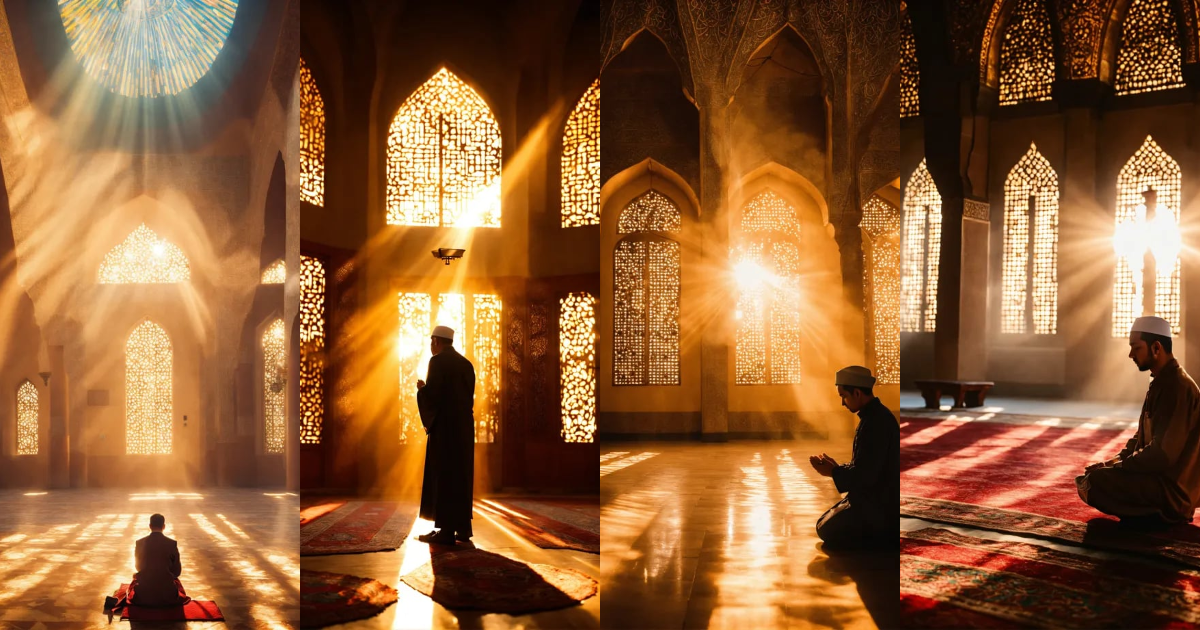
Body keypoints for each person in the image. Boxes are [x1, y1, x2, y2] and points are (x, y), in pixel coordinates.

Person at [1076, 315, 1200, 527]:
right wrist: (1111, 463)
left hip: (1172, 489)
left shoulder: (1176, 387)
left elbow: (1161, 455)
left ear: (1156, 347)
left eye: (1136, 347)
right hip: (1159, 479)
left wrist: (1119, 469)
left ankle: (1165, 514)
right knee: (1090, 479)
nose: (1130, 354)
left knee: (1094, 484)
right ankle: (1150, 513)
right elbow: (1140, 438)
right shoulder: (1162, 381)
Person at [809, 366, 899, 549]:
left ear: (857, 393)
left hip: (881, 504)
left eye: (844, 396)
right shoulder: (873, 417)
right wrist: (836, 467)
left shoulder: (876, 423)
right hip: (875, 497)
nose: (842, 402)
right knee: (824, 520)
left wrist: (833, 472)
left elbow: (867, 476)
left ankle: (882, 535)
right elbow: (866, 465)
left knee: (825, 529)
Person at [415, 325, 477, 545]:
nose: (431, 346)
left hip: (444, 430)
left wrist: (422, 389)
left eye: (431, 342)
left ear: (436, 342)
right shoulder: (466, 364)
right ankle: (462, 529)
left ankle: (446, 532)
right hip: (464, 430)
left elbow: (433, 398)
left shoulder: (437, 362)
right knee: (461, 476)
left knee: (444, 476)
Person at [128, 513, 190, 607]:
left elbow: (138, 567)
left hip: (143, 595)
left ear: (150, 526)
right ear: (164, 526)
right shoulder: (171, 544)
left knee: (135, 579)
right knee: (176, 583)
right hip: (167, 595)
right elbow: (177, 572)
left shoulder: (140, 543)